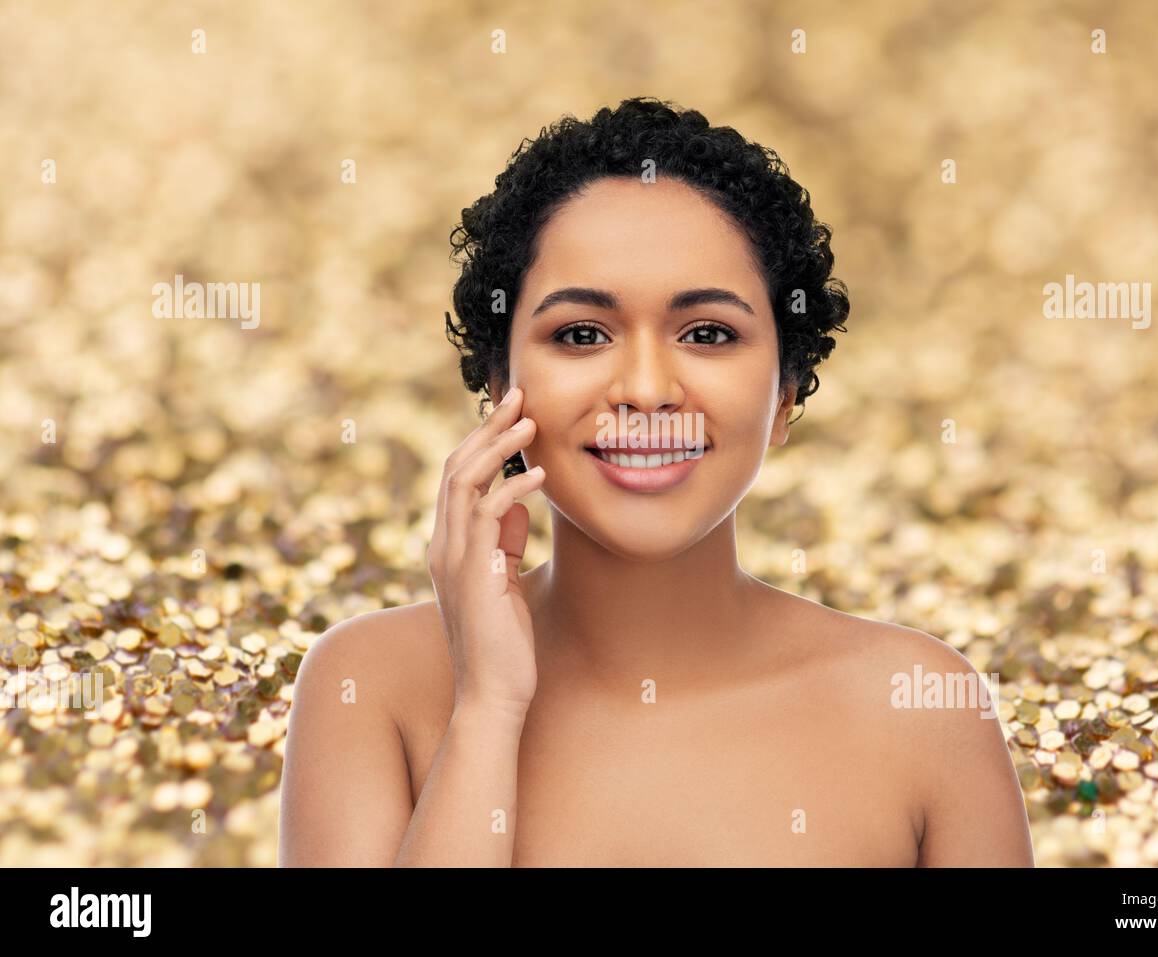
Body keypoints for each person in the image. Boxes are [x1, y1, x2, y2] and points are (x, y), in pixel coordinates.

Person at [278, 97, 1034, 867]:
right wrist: (486, 709)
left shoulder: (923, 708)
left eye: (707, 333)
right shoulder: (369, 685)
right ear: (500, 383)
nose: (645, 388)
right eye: (582, 334)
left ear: (784, 395)